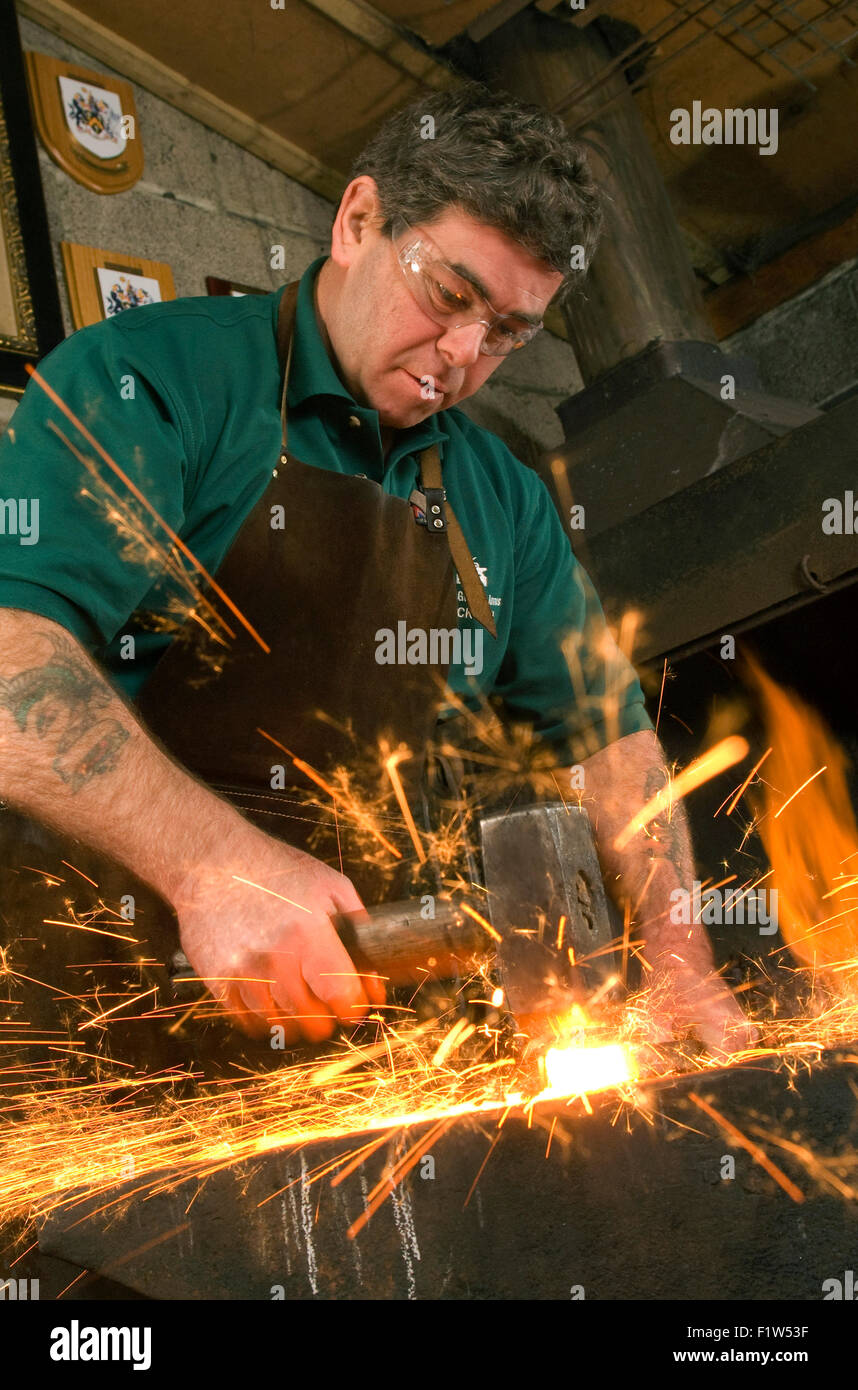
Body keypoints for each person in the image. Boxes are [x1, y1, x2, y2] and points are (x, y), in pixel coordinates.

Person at [0, 84, 753, 1055]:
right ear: (358, 220)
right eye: (449, 296)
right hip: (104, 1019)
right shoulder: (152, 381)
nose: (464, 356)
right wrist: (213, 868)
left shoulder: (505, 495)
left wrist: (682, 960)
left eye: (511, 333)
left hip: (372, 1041)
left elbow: (608, 742)